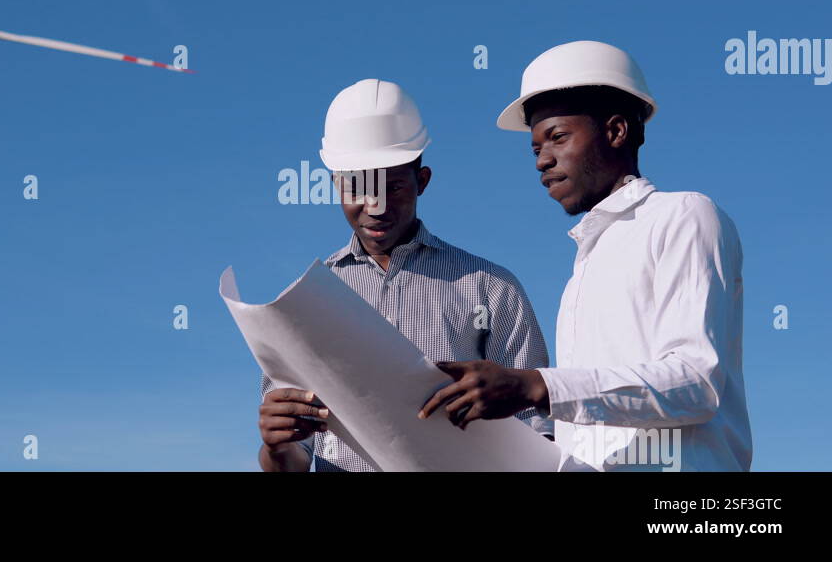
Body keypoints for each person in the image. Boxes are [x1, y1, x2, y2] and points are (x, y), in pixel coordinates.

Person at [420, 41, 752, 471]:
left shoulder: (684, 216)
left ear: (616, 132)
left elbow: (695, 382)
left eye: (557, 137)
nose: (542, 161)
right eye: (535, 149)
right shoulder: (583, 267)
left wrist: (535, 386)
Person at [258, 78, 552, 472]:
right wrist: (276, 447)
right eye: (358, 187)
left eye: (393, 187)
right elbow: (292, 462)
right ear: (335, 186)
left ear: (423, 181)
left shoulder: (491, 288)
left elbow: (537, 436)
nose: (375, 206)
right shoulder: (304, 305)